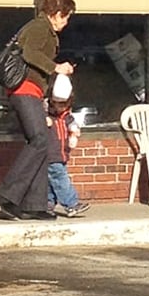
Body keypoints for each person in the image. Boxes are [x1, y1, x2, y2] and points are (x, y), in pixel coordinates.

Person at [0, 0, 76, 221]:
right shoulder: (39, 27)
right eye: (66, 18)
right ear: (57, 14)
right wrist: (56, 67)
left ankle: (34, 206)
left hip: (33, 93)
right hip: (24, 90)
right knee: (39, 139)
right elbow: (29, 53)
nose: (66, 23)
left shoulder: (43, 28)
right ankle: (6, 194)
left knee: (42, 142)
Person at [46, 73, 90, 217]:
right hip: (51, 154)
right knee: (60, 178)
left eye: (64, 105)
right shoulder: (46, 115)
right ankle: (71, 204)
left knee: (52, 181)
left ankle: (48, 204)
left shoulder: (66, 116)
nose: (61, 108)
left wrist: (74, 131)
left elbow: (72, 124)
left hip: (62, 153)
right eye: (58, 104)